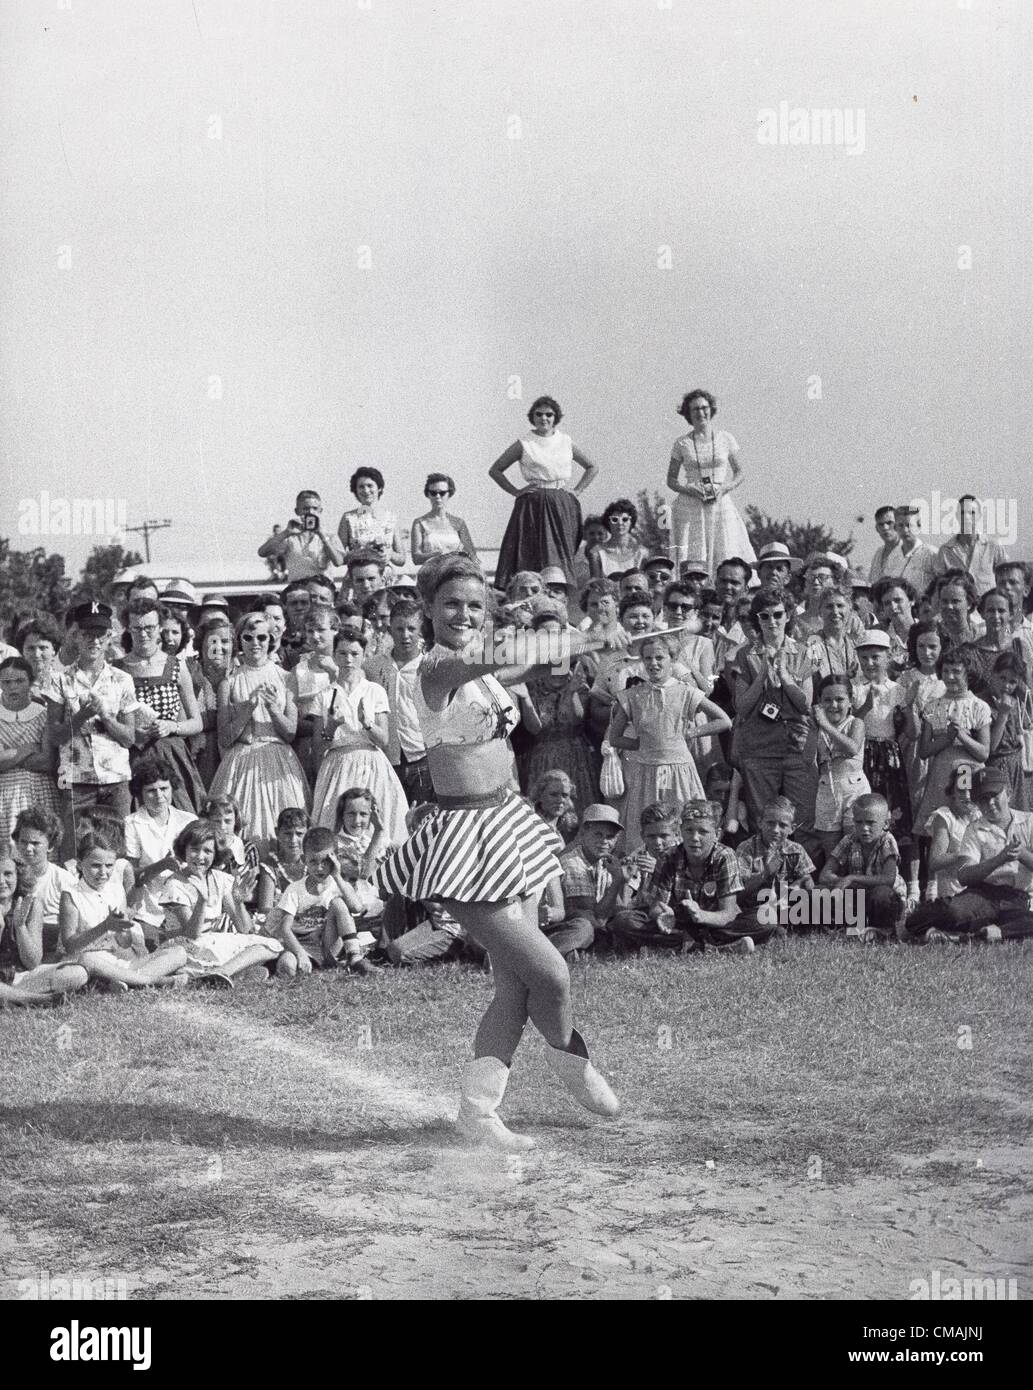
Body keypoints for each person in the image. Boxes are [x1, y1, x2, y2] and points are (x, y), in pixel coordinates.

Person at [374, 552, 621, 1152]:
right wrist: (578, 633)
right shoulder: (433, 670)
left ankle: (478, 1111)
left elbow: (518, 672)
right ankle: (572, 1061)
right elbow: (497, 658)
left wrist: (560, 632)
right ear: (429, 610)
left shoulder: (481, 668)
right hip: (461, 839)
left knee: (513, 986)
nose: (462, 614)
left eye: (474, 605)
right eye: (450, 604)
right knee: (552, 972)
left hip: (507, 823)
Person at [608, 634, 731, 852]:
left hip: (679, 771)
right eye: (648, 659)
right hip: (646, 772)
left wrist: (692, 732)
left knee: (685, 825)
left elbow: (724, 721)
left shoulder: (686, 692)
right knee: (648, 829)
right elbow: (614, 737)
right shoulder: (633, 695)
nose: (653, 663)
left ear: (672, 660)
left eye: (659, 658)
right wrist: (640, 744)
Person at [45, 602, 137, 858]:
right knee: (74, 853)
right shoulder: (60, 680)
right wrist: (83, 714)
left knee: (117, 854)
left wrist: (106, 716)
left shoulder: (122, 679)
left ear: (109, 638)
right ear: (76, 636)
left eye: (100, 635)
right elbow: (55, 735)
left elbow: (129, 738)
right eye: (87, 634)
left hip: (115, 780)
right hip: (76, 780)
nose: (93, 641)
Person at [209, 613, 310, 842]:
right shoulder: (229, 682)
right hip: (242, 759)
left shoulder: (286, 678)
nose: (255, 643)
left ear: (271, 639)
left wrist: (274, 709)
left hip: (278, 759)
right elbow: (225, 738)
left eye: (262, 637)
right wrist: (248, 706)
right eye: (248, 637)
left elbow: (290, 732)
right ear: (240, 640)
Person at [728, 585, 817, 837]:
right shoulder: (745, 654)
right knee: (762, 820)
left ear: (788, 615)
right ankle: (765, 874)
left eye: (778, 614)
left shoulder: (802, 652)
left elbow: (805, 704)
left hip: (796, 747)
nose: (772, 621)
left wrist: (785, 676)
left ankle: (797, 873)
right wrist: (762, 675)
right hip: (759, 748)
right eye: (764, 616)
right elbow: (741, 707)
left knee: (801, 820)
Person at [490, 396, 600, 592]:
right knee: (530, 553)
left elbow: (591, 467)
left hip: (561, 502)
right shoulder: (525, 442)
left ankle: (558, 597)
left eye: (549, 414)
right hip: (533, 503)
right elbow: (496, 469)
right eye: (538, 414)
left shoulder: (565, 441)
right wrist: (516, 491)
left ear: (555, 417)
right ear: (532, 417)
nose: (544, 418)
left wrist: (577, 490)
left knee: (560, 554)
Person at [310, 628, 408, 846]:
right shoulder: (324, 695)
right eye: (343, 653)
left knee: (378, 827)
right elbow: (317, 747)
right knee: (335, 829)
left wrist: (367, 723)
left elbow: (384, 740)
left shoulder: (374, 691)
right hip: (338, 766)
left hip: (372, 764)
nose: (348, 659)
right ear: (334, 655)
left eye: (355, 654)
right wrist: (332, 727)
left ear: (364, 656)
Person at [59, 830, 189, 991]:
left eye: (109, 866)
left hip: (119, 962)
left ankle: (125, 981)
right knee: (89, 959)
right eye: (95, 866)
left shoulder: (115, 889)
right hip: (88, 961)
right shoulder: (71, 895)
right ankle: (153, 981)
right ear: (79, 864)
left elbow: (125, 943)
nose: (103, 872)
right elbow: (71, 946)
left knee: (179, 952)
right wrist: (105, 926)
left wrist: (122, 930)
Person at [157, 819, 282, 985]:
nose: (200, 857)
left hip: (212, 942)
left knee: (271, 946)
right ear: (184, 849)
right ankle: (233, 973)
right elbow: (191, 935)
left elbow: (244, 929)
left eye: (207, 851)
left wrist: (238, 902)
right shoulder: (175, 884)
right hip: (183, 948)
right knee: (206, 956)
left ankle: (221, 972)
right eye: (194, 849)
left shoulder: (220, 879)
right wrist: (203, 900)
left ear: (216, 854)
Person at [924, 766, 1033, 942]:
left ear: (1009, 793)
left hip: (1019, 897)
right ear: (951, 791)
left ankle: (980, 934)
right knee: (947, 912)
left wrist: (1022, 853)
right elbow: (960, 874)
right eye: (983, 799)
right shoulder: (963, 824)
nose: (989, 803)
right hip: (983, 894)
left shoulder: (1029, 822)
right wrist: (999, 859)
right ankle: (863, 924)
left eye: (994, 796)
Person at [117, 598, 205, 812]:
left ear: (159, 629)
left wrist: (171, 726)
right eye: (137, 628)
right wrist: (130, 732)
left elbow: (197, 722)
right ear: (128, 629)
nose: (143, 634)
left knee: (181, 813)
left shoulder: (176, 666)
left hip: (170, 753)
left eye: (149, 628)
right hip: (133, 755)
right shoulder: (117, 669)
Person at [642, 799, 757, 953]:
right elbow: (656, 906)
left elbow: (728, 914)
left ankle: (682, 945)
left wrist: (701, 916)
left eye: (703, 832)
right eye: (689, 830)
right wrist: (664, 915)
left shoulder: (725, 856)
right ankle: (714, 947)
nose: (694, 837)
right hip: (678, 923)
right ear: (681, 831)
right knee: (625, 922)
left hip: (715, 924)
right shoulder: (668, 857)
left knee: (762, 920)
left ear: (716, 834)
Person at [666, 389, 755, 579]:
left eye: (704, 408)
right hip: (691, 506)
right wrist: (688, 489)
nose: (701, 413)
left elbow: (740, 472)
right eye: (695, 409)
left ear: (711, 409)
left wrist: (725, 488)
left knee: (726, 551)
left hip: (720, 502)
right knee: (694, 557)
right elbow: (671, 480)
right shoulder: (682, 443)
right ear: (688, 414)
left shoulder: (725, 438)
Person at [272, 825, 372, 976]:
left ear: (335, 858)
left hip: (328, 942)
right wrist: (300, 953)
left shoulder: (337, 884)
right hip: (302, 944)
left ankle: (354, 956)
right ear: (304, 859)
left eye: (325, 861)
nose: (320, 868)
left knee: (338, 903)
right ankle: (308, 965)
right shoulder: (295, 889)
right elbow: (285, 928)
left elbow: (357, 908)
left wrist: (338, 876)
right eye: (313, 861)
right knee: (287, 966)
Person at [914, 646, 992, 832]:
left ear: (969, 674)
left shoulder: (978, 706)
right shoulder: (934, 706)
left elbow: (984, 753)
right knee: (940, 826)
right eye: (946, 671)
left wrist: (962, 736)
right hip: (942, 773)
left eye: (956, 672)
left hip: (968, 771)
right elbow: (924, 751)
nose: (949, 677)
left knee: (966, 823)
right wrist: (947, 738)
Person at [123, 755, 198, 944]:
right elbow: (131, 877)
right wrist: (162, 865)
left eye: (164, 789)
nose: (159, 796)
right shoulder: (131, 823)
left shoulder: (188, 820)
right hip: (148, 910)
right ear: (139, 793)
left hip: (186, 905)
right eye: (151, 791)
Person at [0, 852, 89, 1006]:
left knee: (78, 973)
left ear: (18, 874)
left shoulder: (32, 903)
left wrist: (20, 927)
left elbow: (32, 962)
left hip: (20, 978)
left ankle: (13, 997)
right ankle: (36, 1000)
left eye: (7, 874)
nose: (1, 881)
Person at [818, 793, 907, 941]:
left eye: (870, 822)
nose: (864, 828)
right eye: (859, 822)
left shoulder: (887, 841)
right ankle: (847, 925)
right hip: (860, 896)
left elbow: (888, 879)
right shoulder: (849, 840)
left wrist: (851, 878)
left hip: (887, 898)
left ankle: (883, 930)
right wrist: (843, 882)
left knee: (881, 894)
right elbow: (825, 875)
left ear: (885, 823)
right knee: (820, 891)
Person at [0, 656, 59, 852]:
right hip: (4, 796)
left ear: (30, 682)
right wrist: (28, 749)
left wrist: (9, 756)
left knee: (41, 848)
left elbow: (47, 761)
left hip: (39, 792)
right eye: (6, 682)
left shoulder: (43, 714)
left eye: (19, 681)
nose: (12, 687)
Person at [607, 802, 682, 953]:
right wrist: (623, 879)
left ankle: (676, 941)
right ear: (642, 835)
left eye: (664, 836)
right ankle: (665, 943)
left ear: (676, 834)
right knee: (622, 921)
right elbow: (627, 903)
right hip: (652, 914)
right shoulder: (639, 856)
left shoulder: (684, 854)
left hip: (680, 912)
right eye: (651, 836)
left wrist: (660, 872)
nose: (657, 843)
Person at [813, 674, 869, 859]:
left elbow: (852, 747)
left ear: (850, 701)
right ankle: (836, 885)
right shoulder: (818, 726)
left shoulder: (856, 723)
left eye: (839, 699)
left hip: (854, 788)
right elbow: (807, 759)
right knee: (833, 853)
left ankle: (856, 887)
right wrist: (814, 728)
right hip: (827, 788)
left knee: (855, 848)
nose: (833, 705)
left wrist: (826, 726)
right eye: (827, 700)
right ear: (820, 702)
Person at [933, 494, 1010, 599]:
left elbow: (1006, 580)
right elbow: (939, 587)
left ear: (979, 515)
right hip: (959, 608)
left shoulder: (994, 547)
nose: (967, 517)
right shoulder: (945, 551)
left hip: (988, 609)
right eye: (963, 513)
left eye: (972, 513)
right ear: (956, 516)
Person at [257, 489, 345, 580]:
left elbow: (338, 562)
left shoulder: (329, 535)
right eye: (305, 509)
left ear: (320, 511)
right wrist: (286, 533)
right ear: (297, 511)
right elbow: (262, 552)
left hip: (322, 588)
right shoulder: (290, 537)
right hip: (298, 588)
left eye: (314, 508)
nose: (310, 512)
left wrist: (322, 536)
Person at [337, 467, 406, 568]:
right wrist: (356, 554)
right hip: (357, 577)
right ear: (355, 490)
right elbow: (338, 558)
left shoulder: (391, 518)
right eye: (361, 487)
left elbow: (402, 560)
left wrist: (390, 554)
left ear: (379, 488)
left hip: (385, 577)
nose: (366, 490)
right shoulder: (348, 518)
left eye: (370, 486)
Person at [410, 474, 478, 566]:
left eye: (442, 493)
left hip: (455, 572)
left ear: (449, 494)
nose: (437, 496)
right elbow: (416, 558)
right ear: (428, 494)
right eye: (433, 493)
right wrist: (437, 555)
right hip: (431, 574)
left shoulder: (459, 523)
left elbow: (472, 555)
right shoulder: (419, 523)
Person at [253, 806, 309, 919]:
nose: (293, 840)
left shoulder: (311, 864)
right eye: (288, 834)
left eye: (299, 834)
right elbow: (265, 907)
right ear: (277, 833)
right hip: (279, 922)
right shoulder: (271, 866)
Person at [884, 504, 939, 599]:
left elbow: (944, 585)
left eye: (910, 525)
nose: (905, 530)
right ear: (895, 528)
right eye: (901, 525)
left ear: (919, 527)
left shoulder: (931, 554)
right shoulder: (892, 556)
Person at [590, 499, 649, 578]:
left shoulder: (642, 553)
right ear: (608, 523)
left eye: (625, 519)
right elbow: (595, 584)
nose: (620, 523)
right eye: (614, 519)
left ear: (631, 522)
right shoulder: (597, 553)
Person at [529, 770, 579, 845]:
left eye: (565, 795)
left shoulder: (560, 830)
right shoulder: (532, 827)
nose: (560, 800)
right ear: (540, 795)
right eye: (553, 794)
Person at [868, 505, 900, 584]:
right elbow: (872, 583)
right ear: (877, 529)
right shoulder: (878, 553)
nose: (885, 528)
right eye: (881, 524)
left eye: (889, 523)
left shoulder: (911, 552)